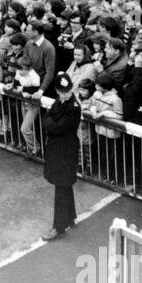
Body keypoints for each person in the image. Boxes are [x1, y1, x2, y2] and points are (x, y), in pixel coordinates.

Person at [40, 72, 81, 241]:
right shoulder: (60, 101)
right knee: (64, 185)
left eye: (68, 90)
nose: (66, 93)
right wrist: (51, 123)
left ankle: (58, 227)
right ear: (57, 91)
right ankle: (70, 217)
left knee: (61, 187)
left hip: (66, 149)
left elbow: (57, 126)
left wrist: (50, 123)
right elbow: (46, 120)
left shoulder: (73, 107)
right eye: (63, 91)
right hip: (57, 148)